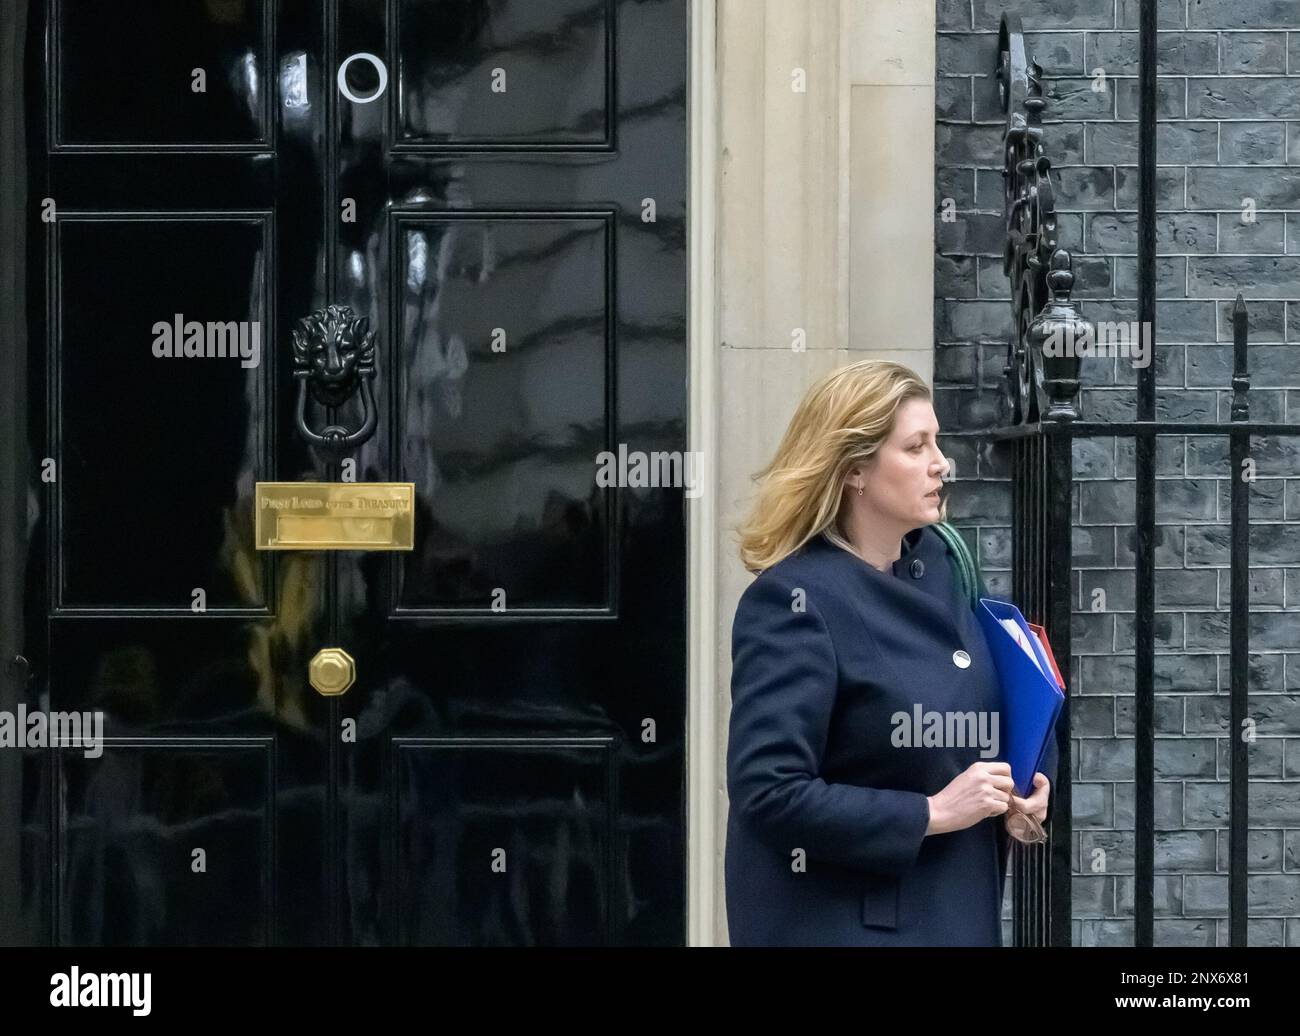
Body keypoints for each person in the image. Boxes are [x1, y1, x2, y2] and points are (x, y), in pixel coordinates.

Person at [725, 359, 1059, 946]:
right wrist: (931, 813)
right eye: (915, 446)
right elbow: (769, 793)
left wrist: (1031, 780)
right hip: (849, 927)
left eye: (937, 442)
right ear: (853, 469)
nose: (941, 463)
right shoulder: (794, 601)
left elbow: (988, 697)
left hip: (957, 910)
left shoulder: (943, 567)